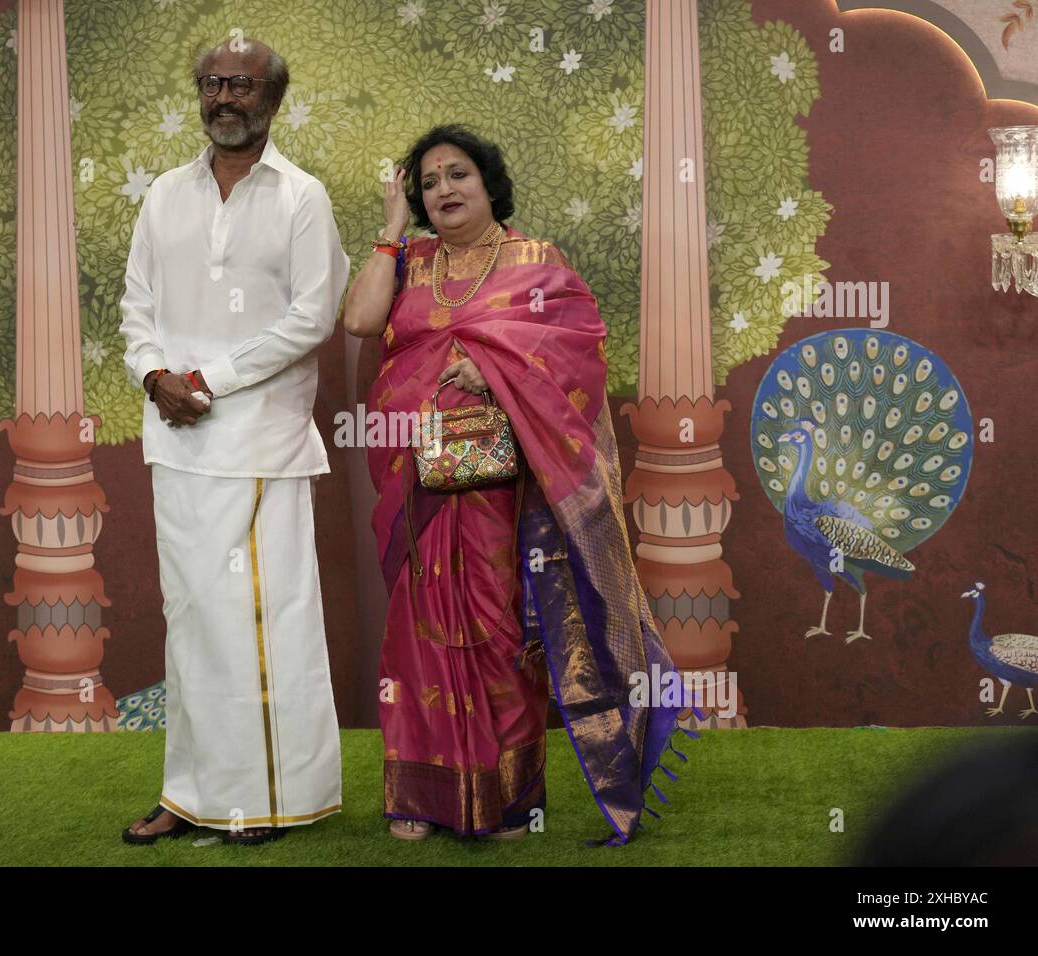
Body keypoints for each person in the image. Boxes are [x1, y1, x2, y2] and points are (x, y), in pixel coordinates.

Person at [342, 125, 683, 843]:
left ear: (488, 182)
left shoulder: (536, 263)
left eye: (457, 174)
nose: (444, 191)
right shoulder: (413, 261)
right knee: (418, 635)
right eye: (429, 183)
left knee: (500, 636)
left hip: (505, 495)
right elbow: (360, 319)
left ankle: (507, 800)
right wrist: (391, 230)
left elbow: (580, 355)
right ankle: (421, 798)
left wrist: (494, 372)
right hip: (420, 486)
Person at [118, 37, 349, 846]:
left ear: (272, 101)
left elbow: (312, 318)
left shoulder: (302, 198)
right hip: (173, 441)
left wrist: (207, 379)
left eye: (242, 86)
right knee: (192, 623)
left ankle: (269, 799)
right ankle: (191, 794)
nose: (225, 97)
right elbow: (136, 308)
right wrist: (155, 378)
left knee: (265, 621)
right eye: (214, 83)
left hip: (259, 443)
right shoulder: (163, 198)